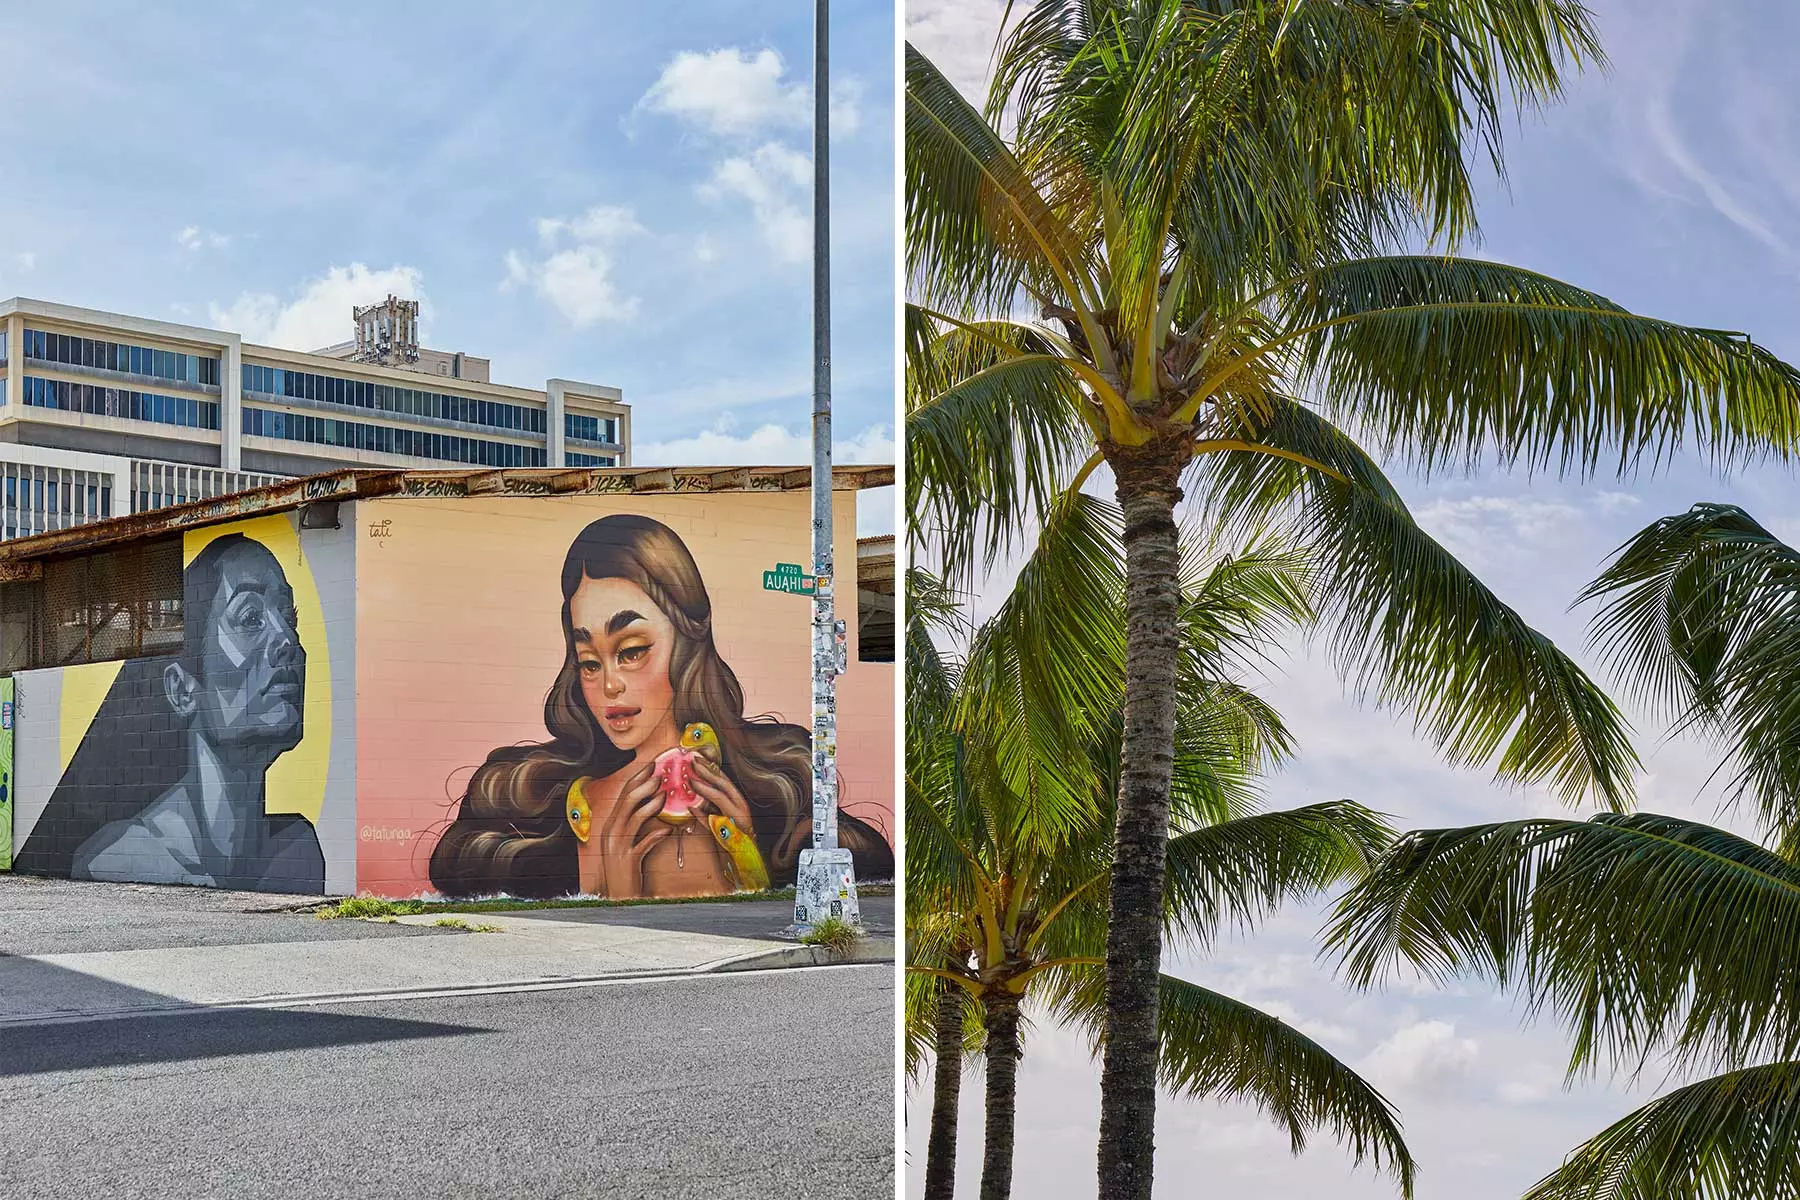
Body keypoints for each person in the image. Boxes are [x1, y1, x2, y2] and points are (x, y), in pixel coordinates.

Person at [429, 514, 894, 899]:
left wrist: (754, 868)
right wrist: (612, 892)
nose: (609, 685)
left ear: (688, 641)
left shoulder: (776, 785)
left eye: (631, 650)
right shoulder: (553, 802)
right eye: (588, 661)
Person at [15, 534, 323, 893]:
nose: (288, 640)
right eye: (251, 617)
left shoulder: (298, 850)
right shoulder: (119, 856)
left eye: (290, 617)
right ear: (182, 690)